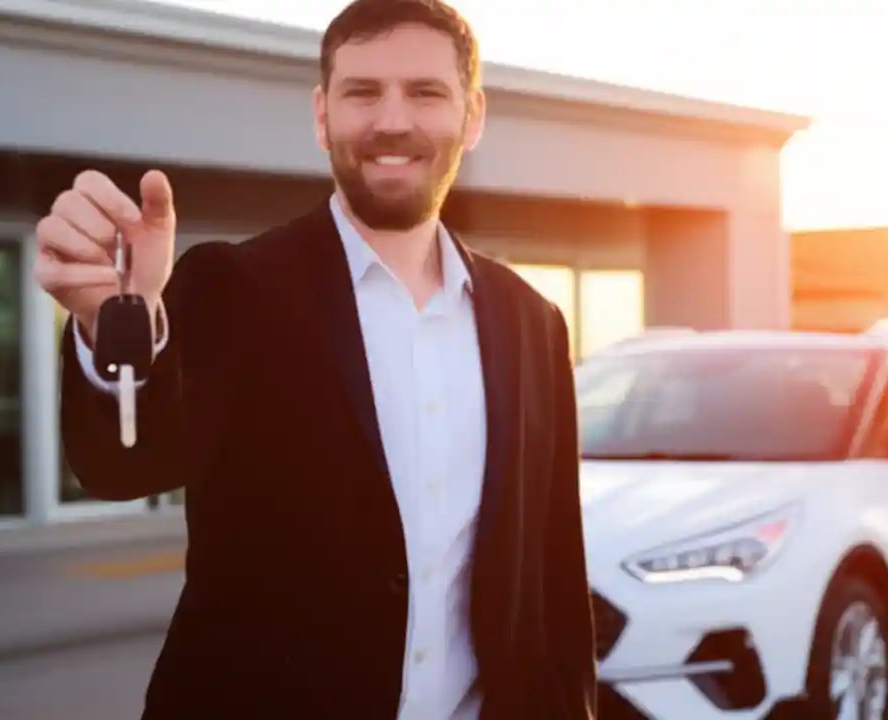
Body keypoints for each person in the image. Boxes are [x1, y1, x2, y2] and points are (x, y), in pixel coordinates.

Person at [33, 1, 596, 718]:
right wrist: (111, 328)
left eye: (425, 92)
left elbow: (553, 575)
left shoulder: (533, 323)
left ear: (473, 115)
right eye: (363, 92)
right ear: (322, 115)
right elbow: (124, 465)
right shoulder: (231, 287)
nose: (393, 120)